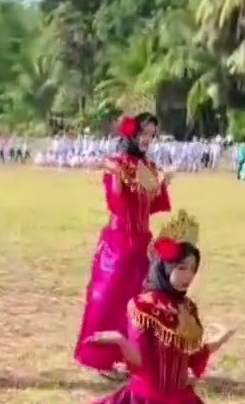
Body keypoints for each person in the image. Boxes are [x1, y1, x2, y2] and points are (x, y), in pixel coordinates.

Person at [6, 211, 234, 404]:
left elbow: (192, 356)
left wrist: (219, 339)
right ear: (164, 267)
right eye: (181, 268)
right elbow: (141, 363)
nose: (188, 276)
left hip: (183, 402)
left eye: (192, 269)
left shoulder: (188, 309)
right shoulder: (143, 307)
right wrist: (120, 341)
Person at [73, 94, 173, 380]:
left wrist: (162, 184)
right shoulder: (116, 163)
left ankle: (132, 357)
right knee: (109, 299)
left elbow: (153, 206)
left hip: (142, 241)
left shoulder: (149, 167)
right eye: (144, 133)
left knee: (141, 302)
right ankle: (102, 358)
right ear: (132, 132)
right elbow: (117, 203)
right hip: (119, 242)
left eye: (152, 135)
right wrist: (118, 177)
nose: (148, 140)